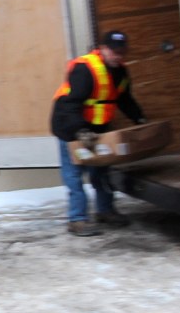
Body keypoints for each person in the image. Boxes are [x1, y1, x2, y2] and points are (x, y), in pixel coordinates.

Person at [50, 30, 146, 236]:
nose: (117, 56)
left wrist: (138, 118)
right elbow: (69, 104)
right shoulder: (85, 68)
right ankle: (77, 219)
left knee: (102, 172)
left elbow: (124, 99)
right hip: (70, 128)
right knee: (74, 175)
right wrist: (80, 131)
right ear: (102, 49)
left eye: (121, 52)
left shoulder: (121, 71)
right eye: (113, 51)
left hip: (97, 129)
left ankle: (105, 211)